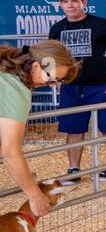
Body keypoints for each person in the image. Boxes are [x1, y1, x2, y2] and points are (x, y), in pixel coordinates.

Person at [48, 0, 106, 181]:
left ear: (84, 3)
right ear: (60, 5)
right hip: (71, 86)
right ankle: (74, 170)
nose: (70, 5)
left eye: (74, 1)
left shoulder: (102, 25)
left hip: (101, 84)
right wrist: (52, 75)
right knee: (73, 128)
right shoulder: (57, 29)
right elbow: (51, 55)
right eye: (65, 2)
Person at [0, 42, 79, 219]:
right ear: (35, 66)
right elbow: (10, 152)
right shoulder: (15, 90)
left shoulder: (6, 74)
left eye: (58, 81)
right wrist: (35, 195)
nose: (53, 85)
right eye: (52, 78)